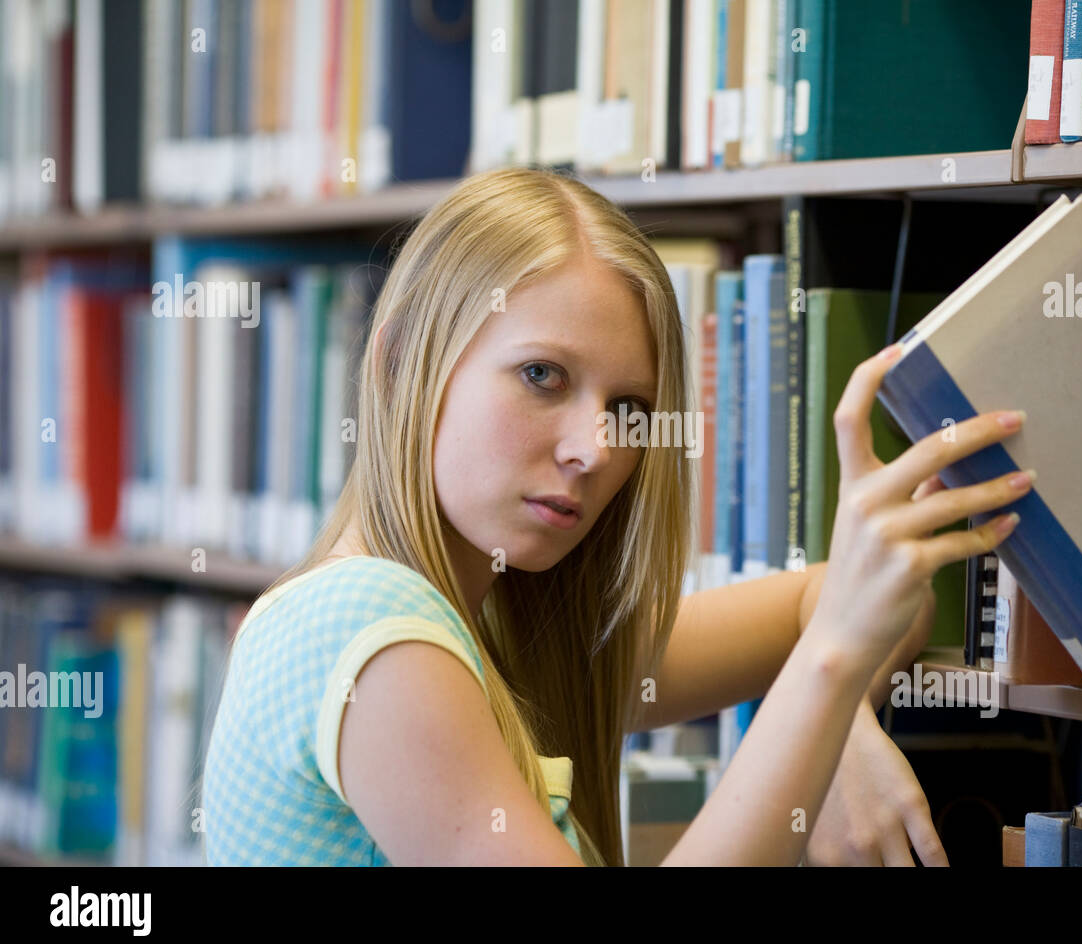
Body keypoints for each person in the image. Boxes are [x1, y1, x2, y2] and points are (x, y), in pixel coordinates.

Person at [200, 166, 1033, 866]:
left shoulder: (512, 626)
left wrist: (843, 721)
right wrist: (832, 666)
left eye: (630, 407)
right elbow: (838, 623)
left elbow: (859, 601)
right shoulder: (370, 629)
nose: (595, 449)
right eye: (542, 377)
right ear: (398, 365)